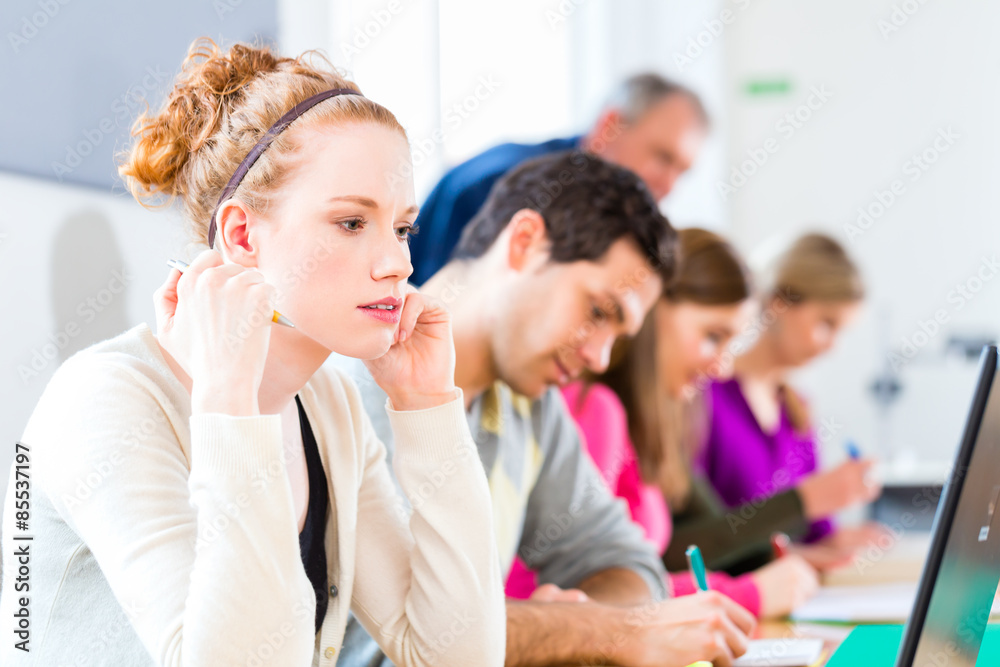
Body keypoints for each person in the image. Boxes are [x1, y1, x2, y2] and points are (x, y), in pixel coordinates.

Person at [0, 38, 505, 666]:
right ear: (241, 235)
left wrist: (429, 406)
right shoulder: (103, 400)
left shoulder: (330, 408)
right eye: (352, 223)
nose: (398, 262)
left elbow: (456, 657)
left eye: (402, 227)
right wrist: (231, 409)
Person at [334, 152, 756, 667]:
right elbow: (389, 649)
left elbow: (631, 567)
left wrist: (579, 627)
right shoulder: (356, 374)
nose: (599, 356)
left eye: (617, 336)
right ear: (524, 243)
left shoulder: (528, 405)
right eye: (598, 311)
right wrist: (593, 632)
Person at [506, 228, 821, 619]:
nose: (721, 368)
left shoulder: (651, 428)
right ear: (654, 310)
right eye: (712, 336)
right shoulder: (593, 410)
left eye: (730, 345)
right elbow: (587, 591)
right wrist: (745, 596)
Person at [683, 232, 884, 575]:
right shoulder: (703, 396)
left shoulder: (797, 409)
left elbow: (814, 533)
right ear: (780, 303)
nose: (831, 347)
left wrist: (839, 542)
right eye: (825, 324)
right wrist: (800, 534)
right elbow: (704, 541)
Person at [406, 73, 709, 284]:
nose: (669, 187)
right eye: (662, 158)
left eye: (681, 172)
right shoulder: (506, 184)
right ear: (609, 126)